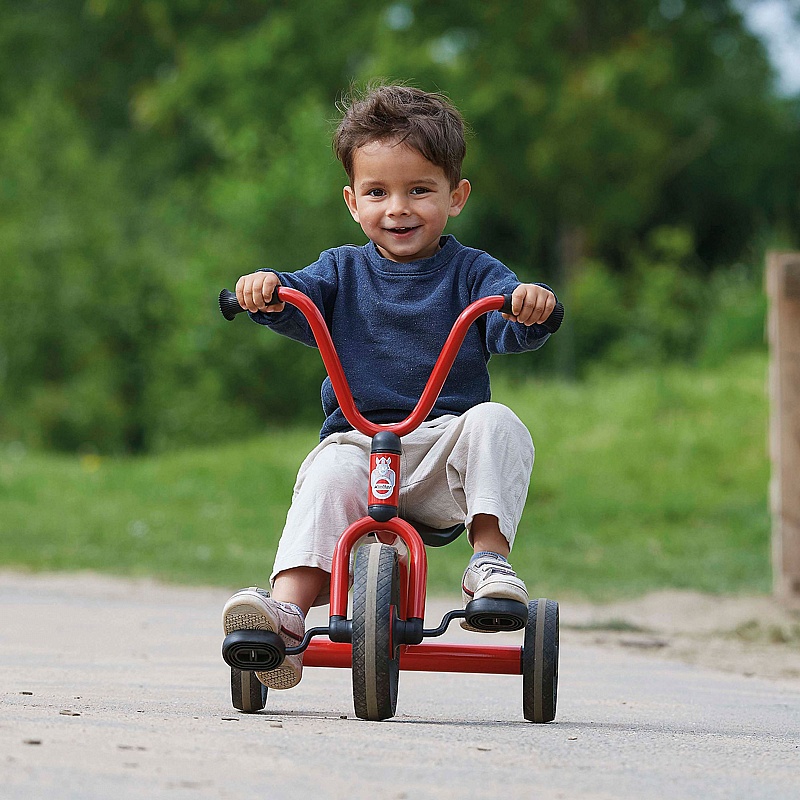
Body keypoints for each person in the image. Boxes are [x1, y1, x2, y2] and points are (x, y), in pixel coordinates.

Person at [222, 84, 560, 690]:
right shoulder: (339, 272)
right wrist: (266, 293)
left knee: (497, 420)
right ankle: (287, 617)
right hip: (358, 448)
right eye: (378, 192)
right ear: (353, 202)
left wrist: (527, 309)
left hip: (440, 457)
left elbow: (508, 326)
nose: (398, 208)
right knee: (324, 474)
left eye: (420, 190)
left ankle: (489, 563)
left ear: (456, 197)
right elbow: (295, 298)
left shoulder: (475, 273)